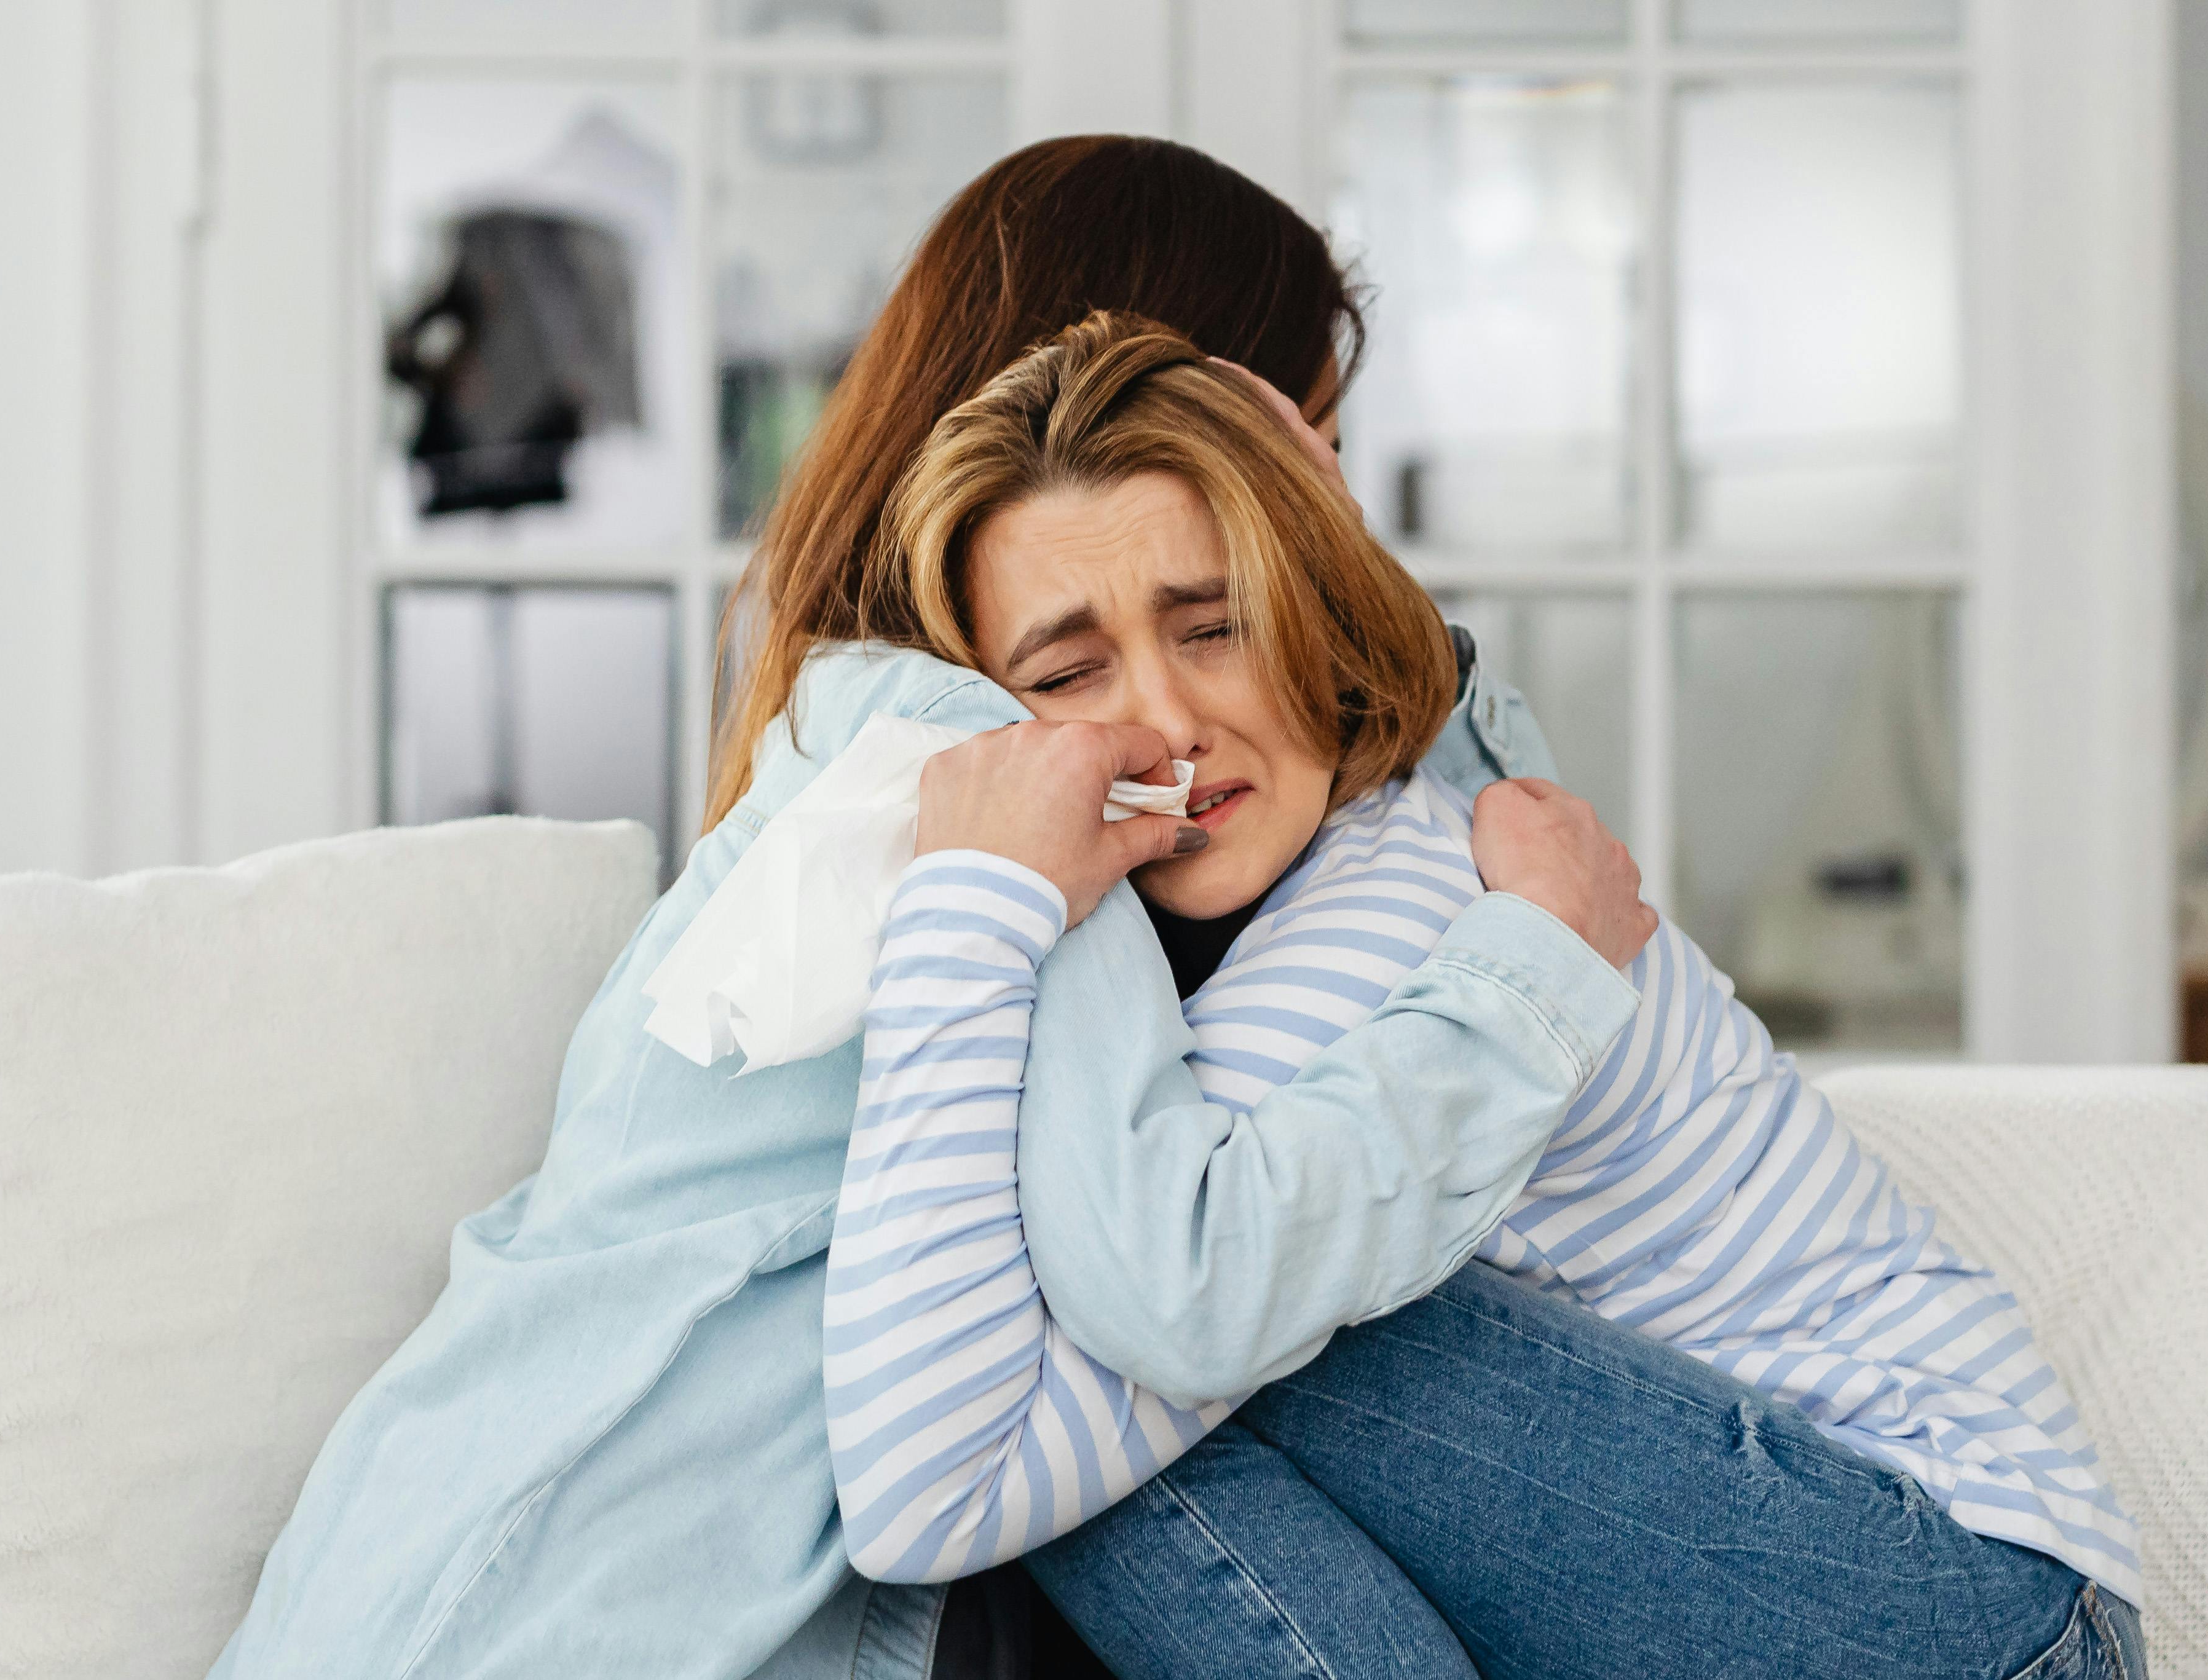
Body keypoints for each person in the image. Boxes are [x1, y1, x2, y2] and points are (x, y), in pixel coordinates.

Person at [208, 138, 1654, 1680]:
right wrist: (1537, 970)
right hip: (547, 1618)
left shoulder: (906, 712)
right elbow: (1184, 1279)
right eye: (1316, 445)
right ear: (1193, 424)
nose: (1337, 503)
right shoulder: (1006, 772)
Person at [823, 312, 2145, 1679]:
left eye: (1215, 625)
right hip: (1848, 1607)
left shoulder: (1397, 898)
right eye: (1067, 673)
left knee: (1166, 1301)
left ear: (1317, 614)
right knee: (1169, 1296)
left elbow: (933, 1486)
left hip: (1966, 1609)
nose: (1165, 721)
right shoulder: (1255, 938)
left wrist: (972, 905)